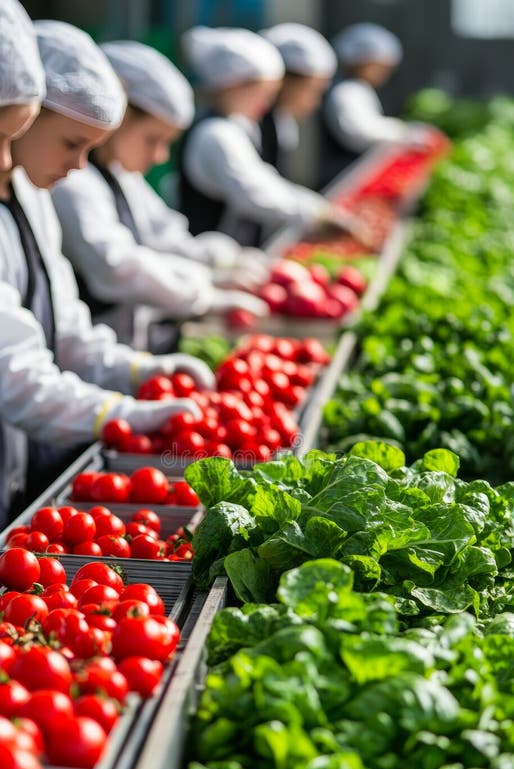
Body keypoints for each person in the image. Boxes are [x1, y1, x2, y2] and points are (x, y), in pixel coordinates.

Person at [0, 19, 213, 528]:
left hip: (27, 447)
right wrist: (124, 413)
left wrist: (138, 371)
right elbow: (15, 375)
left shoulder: (32, 197)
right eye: (71, 143)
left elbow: (66, 332)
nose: (79, 167)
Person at [52, 40, 266, 345]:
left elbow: (163, 236)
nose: (159, 156)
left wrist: (220, 263)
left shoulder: (119, 174)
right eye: (153, 139)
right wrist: (202, 294)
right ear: (119, 115)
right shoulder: (72, 181)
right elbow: (115, 265)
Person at [178, 26, 341, 247]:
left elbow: (266, 180)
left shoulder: (237, 126)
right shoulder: (216, 134)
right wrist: (317, 215)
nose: (266, 105)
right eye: (264, 95)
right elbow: (255, 191)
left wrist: (318, 209)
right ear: (233, 86)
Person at [321, 22, 432, 188]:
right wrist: (404, 133)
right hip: (343, 178)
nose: (384, 75)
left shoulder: (359, 89)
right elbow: (360, 132)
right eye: (380, 67)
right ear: (360, 61)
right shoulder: (347, 90)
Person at [258, 23, 337, 177]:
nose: (316, 102)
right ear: (283, 81)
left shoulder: (283, 123)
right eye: (313, 90)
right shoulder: (245, 128)